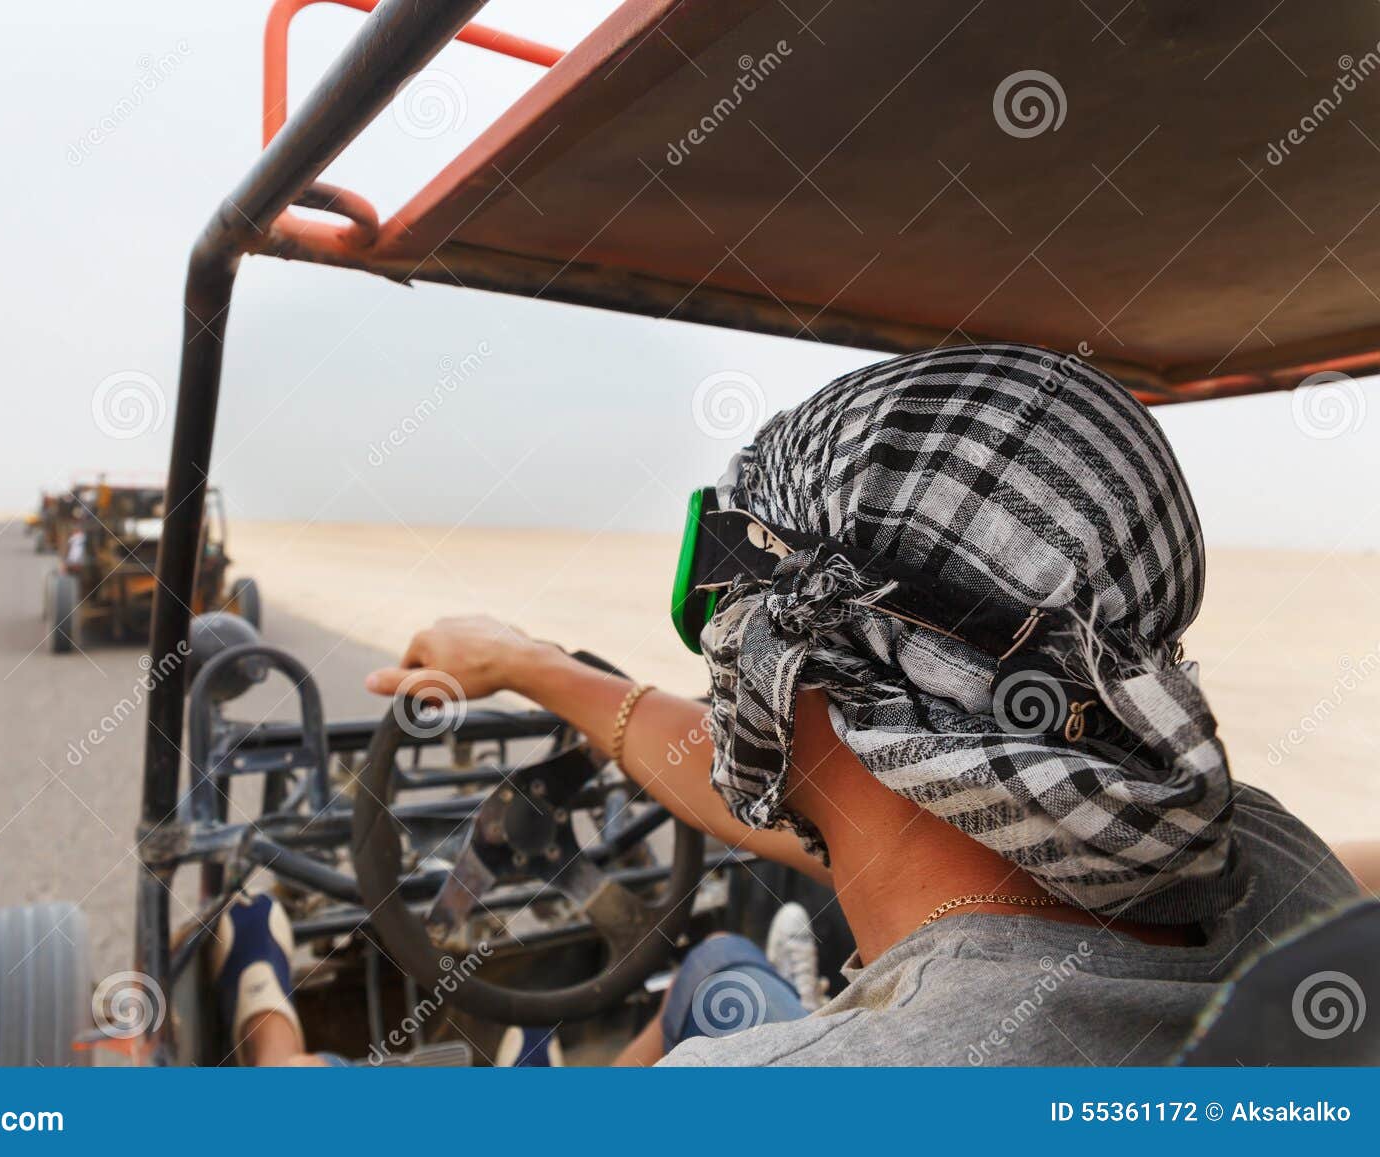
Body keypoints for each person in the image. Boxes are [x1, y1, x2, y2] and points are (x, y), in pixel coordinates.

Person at [219, 343, 1363, 1066]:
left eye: (712, 596)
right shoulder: (1264, 859)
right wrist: (534, 665)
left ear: (795, 653)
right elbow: (878, 806)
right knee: (720, 967)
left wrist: (275, 1035)